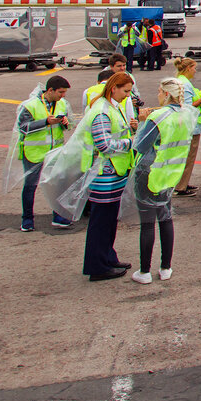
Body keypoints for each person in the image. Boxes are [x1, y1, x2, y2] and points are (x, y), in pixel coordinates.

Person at [129, 78, 198, 284]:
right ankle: (166, 266)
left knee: (147, 223)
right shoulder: (187, 115)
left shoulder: (158, 116)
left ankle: (144, 271)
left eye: (160, 91)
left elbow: (140, 146)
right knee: (166, 218)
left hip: (150, 171)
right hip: (170, 172)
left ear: (166, 94)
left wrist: (141, 122)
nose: (158, 95)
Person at [81, 73, 138, 281]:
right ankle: (97, 266)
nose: (127, 95)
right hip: (104, 174)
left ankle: (107, 256)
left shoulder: (113, 107)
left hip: (115, 172)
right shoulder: (101, 111)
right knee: (101, 221)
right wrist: (131, 142)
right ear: (113, 87)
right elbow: (103, 144)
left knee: (110, 220)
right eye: (125, 91)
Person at [11, 75, 71, 231]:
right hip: (34, 152)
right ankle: (27, 219)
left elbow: (69, 124)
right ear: (50, 90)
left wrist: (65, 123)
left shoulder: (62, 104)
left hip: (55, 151)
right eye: (60, 92)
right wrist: (46, 122)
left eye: (64, 93)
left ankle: (58, 216)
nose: (63, 96)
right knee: (31, 185)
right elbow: (23, 127)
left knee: (57, 184)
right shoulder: (30, 106)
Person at [172, 57, 201, 197]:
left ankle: (183, 182)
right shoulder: (184, 84)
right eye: (194, 68)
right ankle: (181, 186)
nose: (195, 71)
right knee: (189, 155)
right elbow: (188, 105)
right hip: (190, 124)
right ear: (188, 68)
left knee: (185, 155)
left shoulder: (181, 82)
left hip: (185, 124)